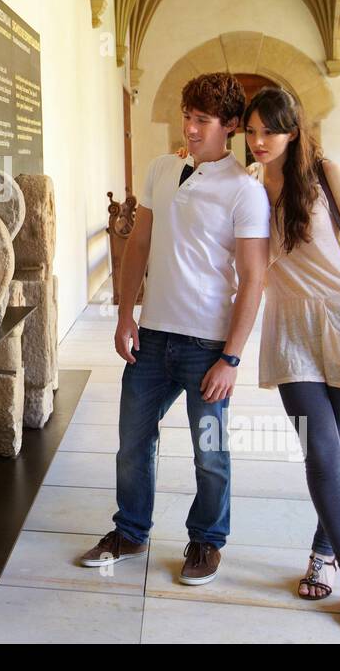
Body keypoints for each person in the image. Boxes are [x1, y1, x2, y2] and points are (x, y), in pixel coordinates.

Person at [78, 73, 270, 585]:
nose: (189, 128)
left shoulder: (245, 192)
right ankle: (131, 531)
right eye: (187, 116)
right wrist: (124, 315)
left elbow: (254, 279)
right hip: (153, 335)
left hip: (207, 344)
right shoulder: (162, 170)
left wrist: (231, 359)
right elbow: (138, 244)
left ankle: (207, 541)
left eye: (202, 120)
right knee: (132, 442)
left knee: (210, 451)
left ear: (229, 126)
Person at [242, 86, 340, 633]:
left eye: (269, 131)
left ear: (293, 131)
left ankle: (320, 556)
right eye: (250, 131)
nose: (258, 142)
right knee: (321, 450)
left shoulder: (326, 173)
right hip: (290, 332)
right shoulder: (250, 188)